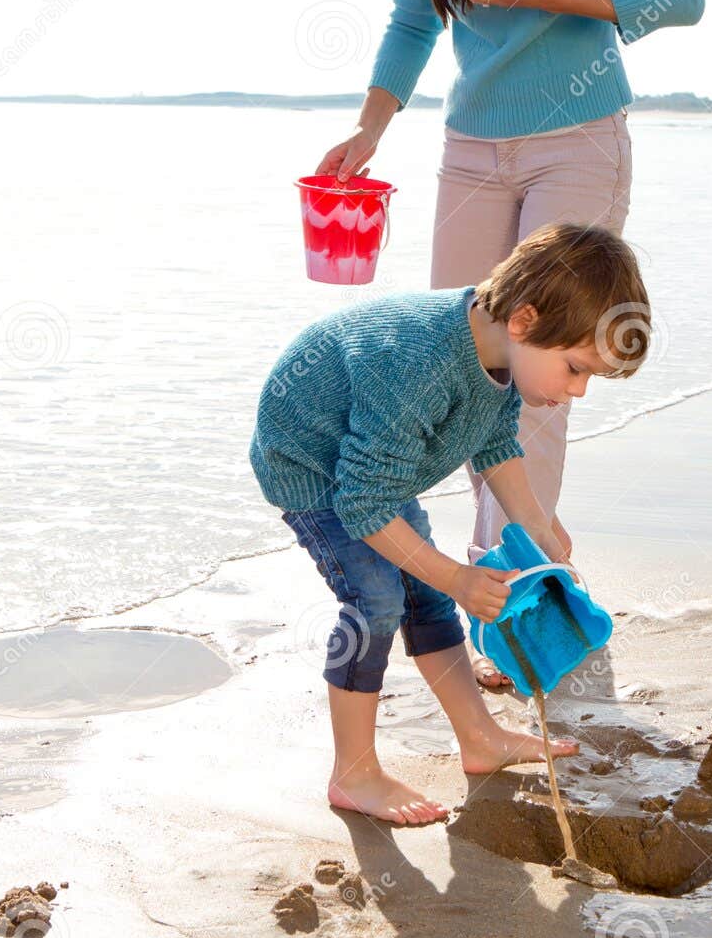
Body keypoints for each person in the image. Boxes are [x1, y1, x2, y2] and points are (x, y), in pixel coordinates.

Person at [317, 0, 704, 687]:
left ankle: (513, 586)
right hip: (470, 146)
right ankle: (501, 572)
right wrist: (370, 126)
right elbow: (411, 19)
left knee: (538, 382)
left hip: (579, 139)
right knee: (464, 364)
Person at [250, 223, 650, 825]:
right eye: (575, 369)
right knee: (378, 600)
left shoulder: (498, 350)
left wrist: (536, 520)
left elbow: (493, 440)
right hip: (317, 469)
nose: (579, 391)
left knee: (425, 597)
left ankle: (478, 738)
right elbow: (361, 502)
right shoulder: (419, 364)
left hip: (382, 475)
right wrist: (458, 578)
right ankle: (353, 773)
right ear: (524, 321)